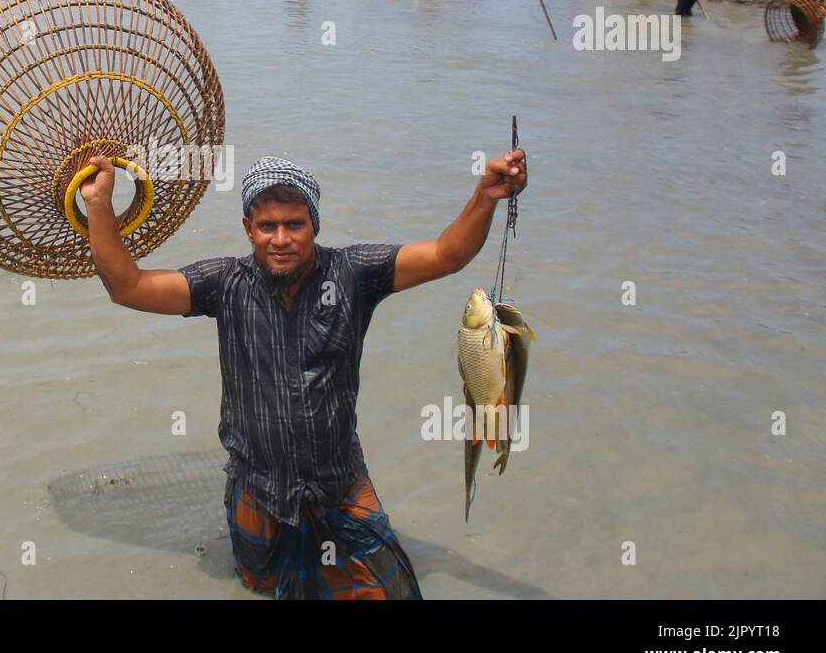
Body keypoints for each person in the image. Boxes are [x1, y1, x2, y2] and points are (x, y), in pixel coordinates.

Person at [78, 149, 528, 599]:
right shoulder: (225, 284)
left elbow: (447, 256)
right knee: (260, 587)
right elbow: (128, 287)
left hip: (340, 481)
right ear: (247, 229)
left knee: (393, 593)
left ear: (315, 225)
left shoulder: (354, 274)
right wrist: (99, 206)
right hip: (257, 486)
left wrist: (485, 196)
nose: (281, 239)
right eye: (267, 226)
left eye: (295, 224)